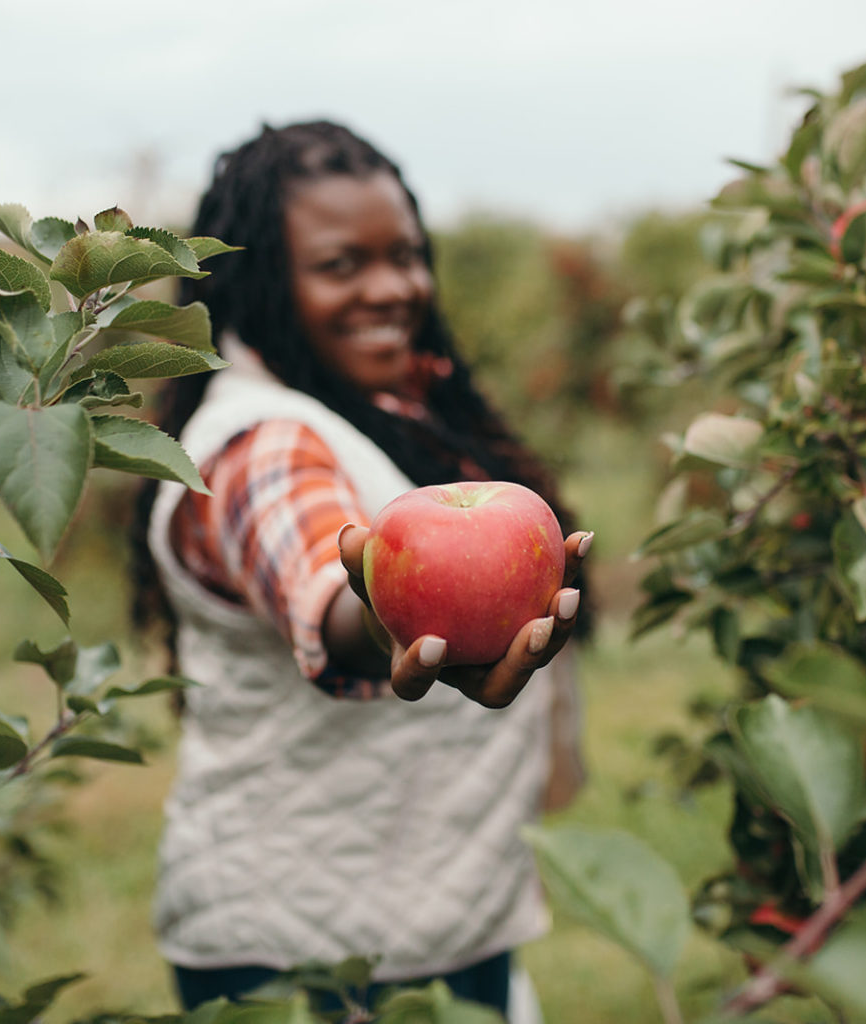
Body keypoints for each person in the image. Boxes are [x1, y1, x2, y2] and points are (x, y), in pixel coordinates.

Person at [129, 119, 592, 1020]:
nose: (393, 288)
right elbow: (315, 573)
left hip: (437, 913)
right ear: (261, 282)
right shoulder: (258, 446)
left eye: (406, 255)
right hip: (311, 957)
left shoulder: (385, 403)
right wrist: (381, 621)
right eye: (343, 264)